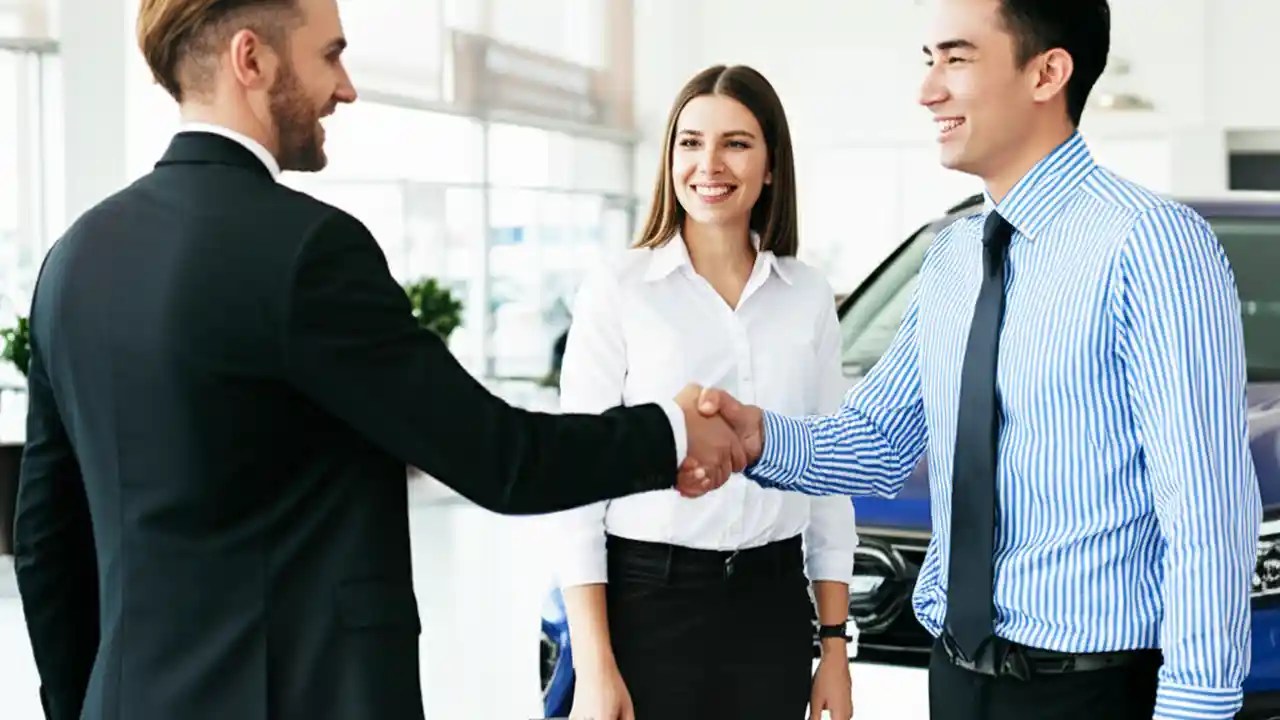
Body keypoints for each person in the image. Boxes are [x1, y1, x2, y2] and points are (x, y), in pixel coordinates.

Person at [10, 1, 747, 719]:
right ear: (251, 58)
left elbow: (45, 542)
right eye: (330, 54)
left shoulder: (73, 261)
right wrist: (673, 430)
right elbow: (500, 457)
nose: (347, 86)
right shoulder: (307, 252)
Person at [692, 1, 1263, 719]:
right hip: (957, 675)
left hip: (1089, 689)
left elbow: (1207, 510)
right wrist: (756, 437)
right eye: (928, 61)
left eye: (956, 59)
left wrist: (1196, 707)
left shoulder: (1149, 245)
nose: (928, 90)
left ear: (1047, 73)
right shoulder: (955, 258)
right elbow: (878, 443)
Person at [549, 65, 857, 720]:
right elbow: (574, 489)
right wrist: (596, 666)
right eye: (690, 142)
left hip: (771, 609)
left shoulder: (806, 296)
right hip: (646, 605)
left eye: (736, 143)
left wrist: (834, 648)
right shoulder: (620, 287)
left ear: (772, 164)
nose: (708, 163)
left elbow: (828, 475)